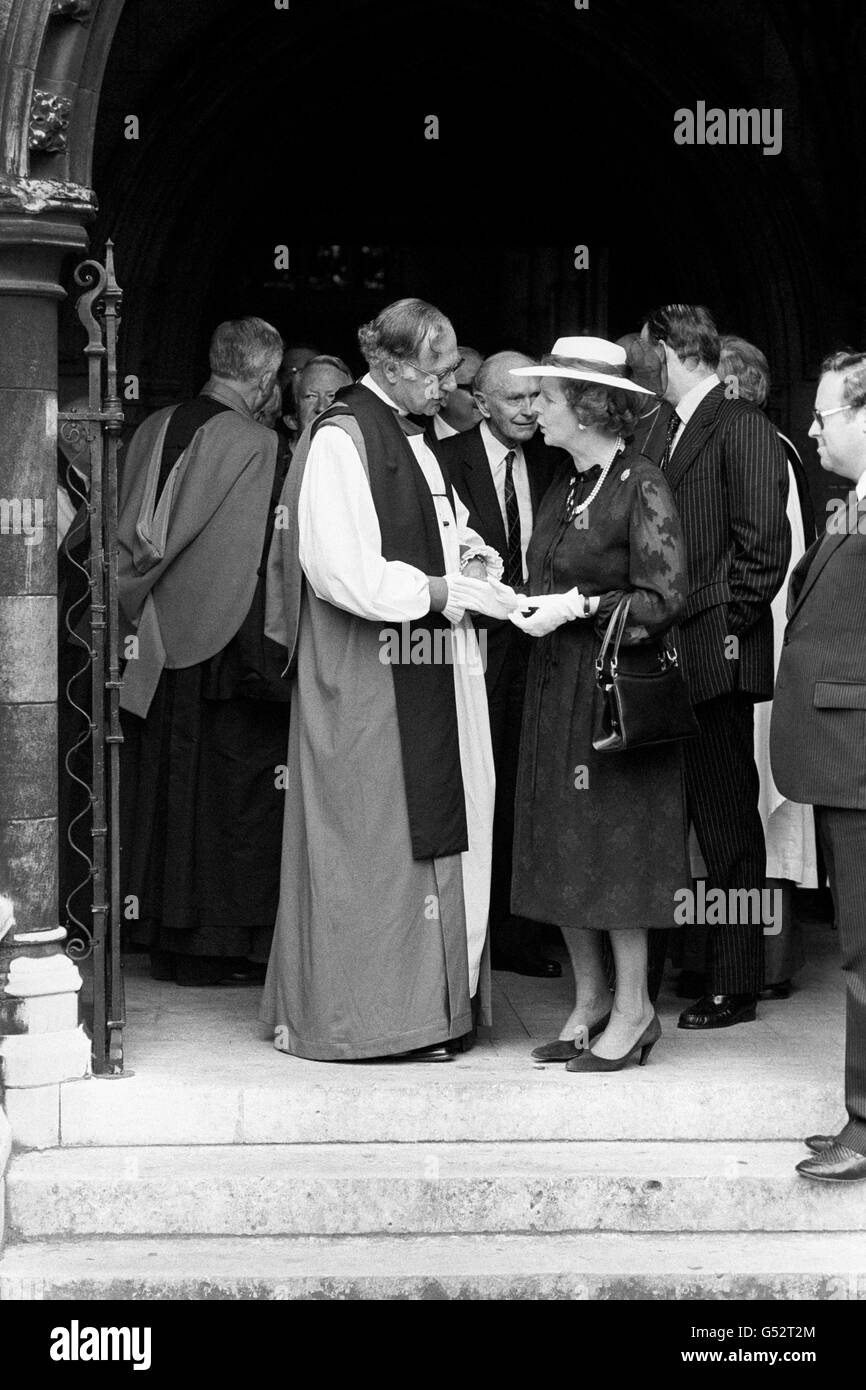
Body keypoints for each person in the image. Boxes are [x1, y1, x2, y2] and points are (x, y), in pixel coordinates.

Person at [262, 298, 504, 1061]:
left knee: (424, 835)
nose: (449, 388)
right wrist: (438, 593)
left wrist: (472, 560)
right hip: (368, 676)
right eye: (437, 375)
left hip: (425, 665)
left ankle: (430, 1013)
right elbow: (340, 571)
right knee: (372, 840)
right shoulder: (341, 438)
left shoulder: (414, 435)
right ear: (394, 366)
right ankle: (368, 1021)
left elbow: (447, 527)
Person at [494, 336, 689, 1071]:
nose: (533, 410)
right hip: (554, 689)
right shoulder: (567, 483)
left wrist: (577, 606)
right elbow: (546, 571)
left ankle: (635, 1010)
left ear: (587, 405)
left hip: (611, 699)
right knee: (559, 848)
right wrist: (505, 584)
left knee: (616, 853)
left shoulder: (640, 482)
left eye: (545, 398)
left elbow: (665, 597)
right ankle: (590, 1002)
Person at [117, 317, 291, 985]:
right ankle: (214, 945)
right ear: (265, 378)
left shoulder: (154, 425)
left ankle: (157, 933)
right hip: (224, 646)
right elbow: (259, 557)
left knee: (162, 788)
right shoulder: (256, 442)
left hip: (153, 632)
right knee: (229, 796)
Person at [641, 305, 790, 1030]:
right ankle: (685, 965)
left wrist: (717, 627)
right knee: (673, 818)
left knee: (728, 823)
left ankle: (737, 982)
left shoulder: (742, 426)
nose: (643, 367)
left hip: (715, 657)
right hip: (666, 658)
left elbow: (764, 549)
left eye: (647, 354)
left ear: (669, 352)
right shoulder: (658, 428)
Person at [771, 351, 866, 1184]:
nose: (811, 428)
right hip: (842, 758)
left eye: (826, 414)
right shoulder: (850, 507)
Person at [438, 352, 561, 978]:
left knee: (529, 785)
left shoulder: (554, 458)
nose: (529, 410)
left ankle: (521, 936)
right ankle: (470, 937)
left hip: (541, 646)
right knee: (474, 784)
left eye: (537, 397)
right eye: (514, 399)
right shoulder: (443, 459)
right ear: (481, 403)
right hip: (472, 648)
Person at [716, 335, 818, 997]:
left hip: (759, 639)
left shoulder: (759, 449)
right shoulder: (760, 444)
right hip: (753, 637)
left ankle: (765, 960)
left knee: (758, 801)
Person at [292, 354, 353, 435]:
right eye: (311, 396)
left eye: (332, 396)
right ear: (296, 403)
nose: (321, 408)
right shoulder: (275, 446)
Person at [434, 347, 484, 437]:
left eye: (487, 387)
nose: (485, 397)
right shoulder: (413, 440)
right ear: (442, 394)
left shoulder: (504, 437)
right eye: (474, 387)